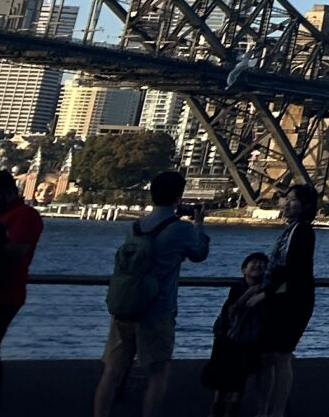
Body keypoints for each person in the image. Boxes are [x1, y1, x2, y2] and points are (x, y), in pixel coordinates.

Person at [93, 169, 212, 417]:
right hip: (157, 311)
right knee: (158, 372)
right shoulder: (180, 229)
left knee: (112, 370)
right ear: (178, 198)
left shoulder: (135, 227)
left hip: (125, 305)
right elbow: (199, 254)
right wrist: (199, 225)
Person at [255, 183, 318, 417]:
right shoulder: (293, 229)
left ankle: (274, 411)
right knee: (270, 356)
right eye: (286, 199)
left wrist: (264, 292)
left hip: (292, 301)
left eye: (292, 199)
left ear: (306, 205)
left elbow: (291, 268)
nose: (286, 203)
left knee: (279, 356)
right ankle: (267, 411)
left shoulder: (301, 231)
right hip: (285, 299)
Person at [0, 169, 42, 417]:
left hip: (5, 292)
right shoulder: (2, 216)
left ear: (8, 193)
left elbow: (16, 251)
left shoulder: (25, 216)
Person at [201, 252, 271, 417]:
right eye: (253, 263)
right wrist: (249, 294)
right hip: (228, 337)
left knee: (238, 379)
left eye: (261, 264)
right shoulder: (238, 288)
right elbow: (231, 311)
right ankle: (218, 409)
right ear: (243, 269)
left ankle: (229, 410)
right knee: (223, 378)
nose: (257, 266)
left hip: (247, 340)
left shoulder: (266, 292)